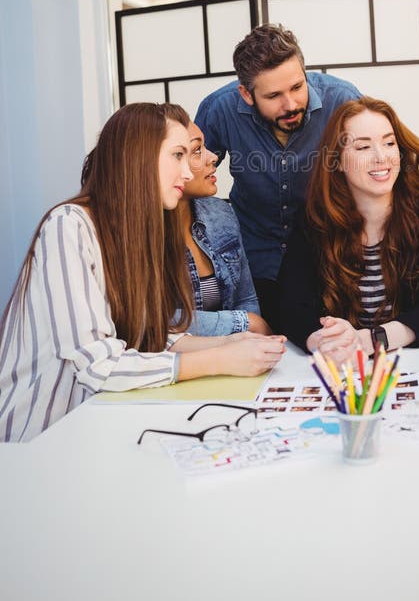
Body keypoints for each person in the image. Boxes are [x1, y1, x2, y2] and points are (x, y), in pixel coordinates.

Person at [0, 103, 285, 442]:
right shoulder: (68, 226)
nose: (186, 172)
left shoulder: (136, 235)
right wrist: (221, 358)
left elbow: (145, 336)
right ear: (140, 157)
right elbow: (98, 364)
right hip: (35, 443)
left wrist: (231, 341)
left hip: (95, 429)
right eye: (178, 155)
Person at [195, 24, 360, 331]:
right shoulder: (219, 109)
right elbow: (191, 178)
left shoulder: (343, 100)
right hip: (255, 261)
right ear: (246, 93)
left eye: (298, 87)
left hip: (328, 259)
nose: (291, 104)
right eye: (274, 95)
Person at [277, 97, 419, 363]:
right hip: (344, 370)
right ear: (337, 161)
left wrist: (370, 340)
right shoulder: (315, 221)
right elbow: (290, 307)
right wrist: (324, 341)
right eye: (363, 147)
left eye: (389, 143)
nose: (381, 157)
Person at [181, 120, 271, 337]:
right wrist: (243, 323)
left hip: (233, 360)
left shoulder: (220, 212)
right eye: (197, 150)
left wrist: (253, 341)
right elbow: (154, 321)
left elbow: (245, 298)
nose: (213, 157)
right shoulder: (134, 232)